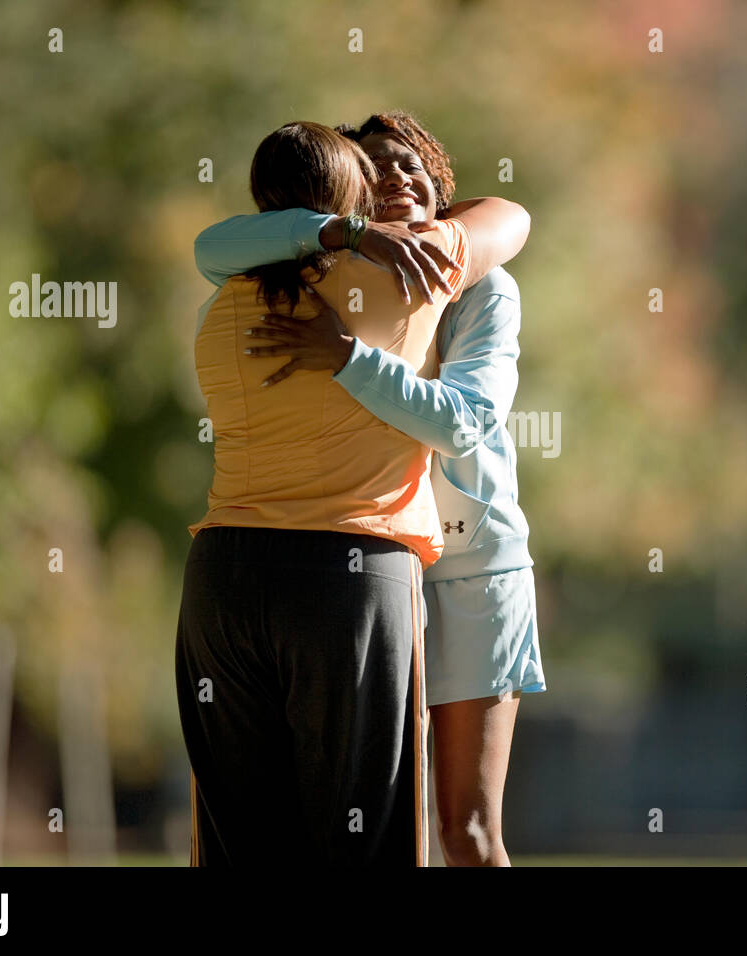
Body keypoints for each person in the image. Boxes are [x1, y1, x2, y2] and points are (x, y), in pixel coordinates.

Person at [193, 111, 544, 866]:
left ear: (441, 190)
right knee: (381, 814)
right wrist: (337, 236)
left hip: (474, 570)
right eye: (376, 167)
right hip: (381, 567)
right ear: (346, 193)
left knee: (468, 833)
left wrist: (346, 355)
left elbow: (465, 420)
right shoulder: (328, 271)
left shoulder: (480, 285)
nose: (397, 178)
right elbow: (213, 248)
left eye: (412, 167)